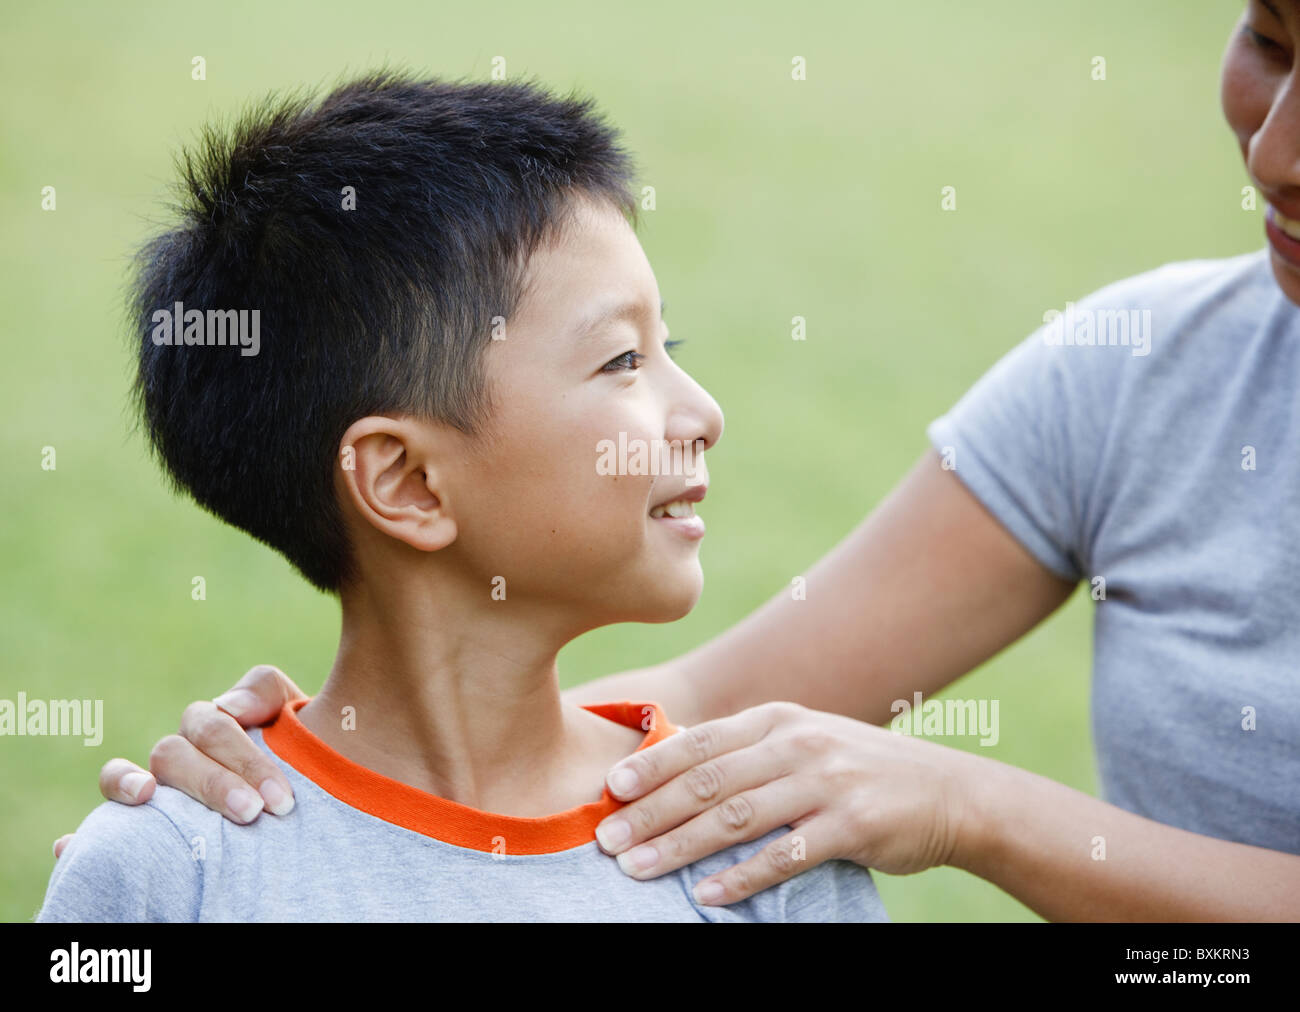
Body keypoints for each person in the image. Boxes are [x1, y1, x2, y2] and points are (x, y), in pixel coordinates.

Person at [64, 1, 1300, 921]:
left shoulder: (770, 875)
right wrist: (286, 782)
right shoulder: (174, 869)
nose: (1273, 154)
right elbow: (682, 707)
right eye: (1271, 41)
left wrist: (966, 804)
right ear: (406, 483)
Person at [37, 70, 888, 922]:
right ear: (406, 483)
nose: (704, 413)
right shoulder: (173, 873)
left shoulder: (761, 851)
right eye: (622, 360)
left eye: (668, 344)